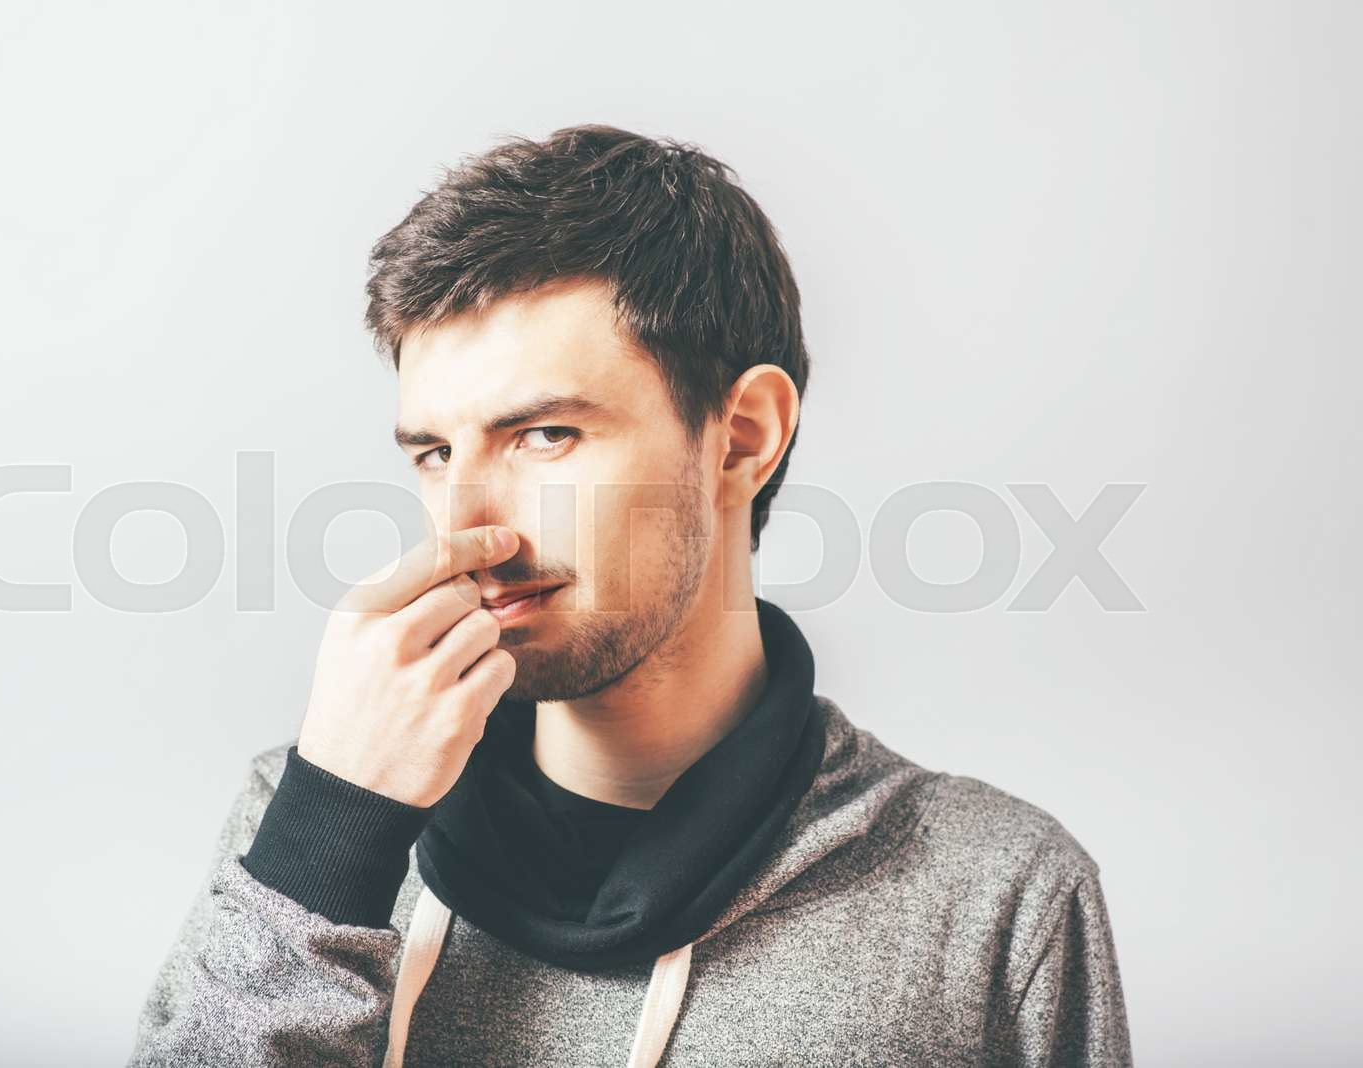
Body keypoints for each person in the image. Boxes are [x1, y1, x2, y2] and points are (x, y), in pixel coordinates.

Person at [127, 124, 1132, 1067]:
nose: (469, 525)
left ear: (741, 436)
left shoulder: (996, 895)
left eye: (544, 437)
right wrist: (333, 829)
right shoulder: (304, 817)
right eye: (434, 453)